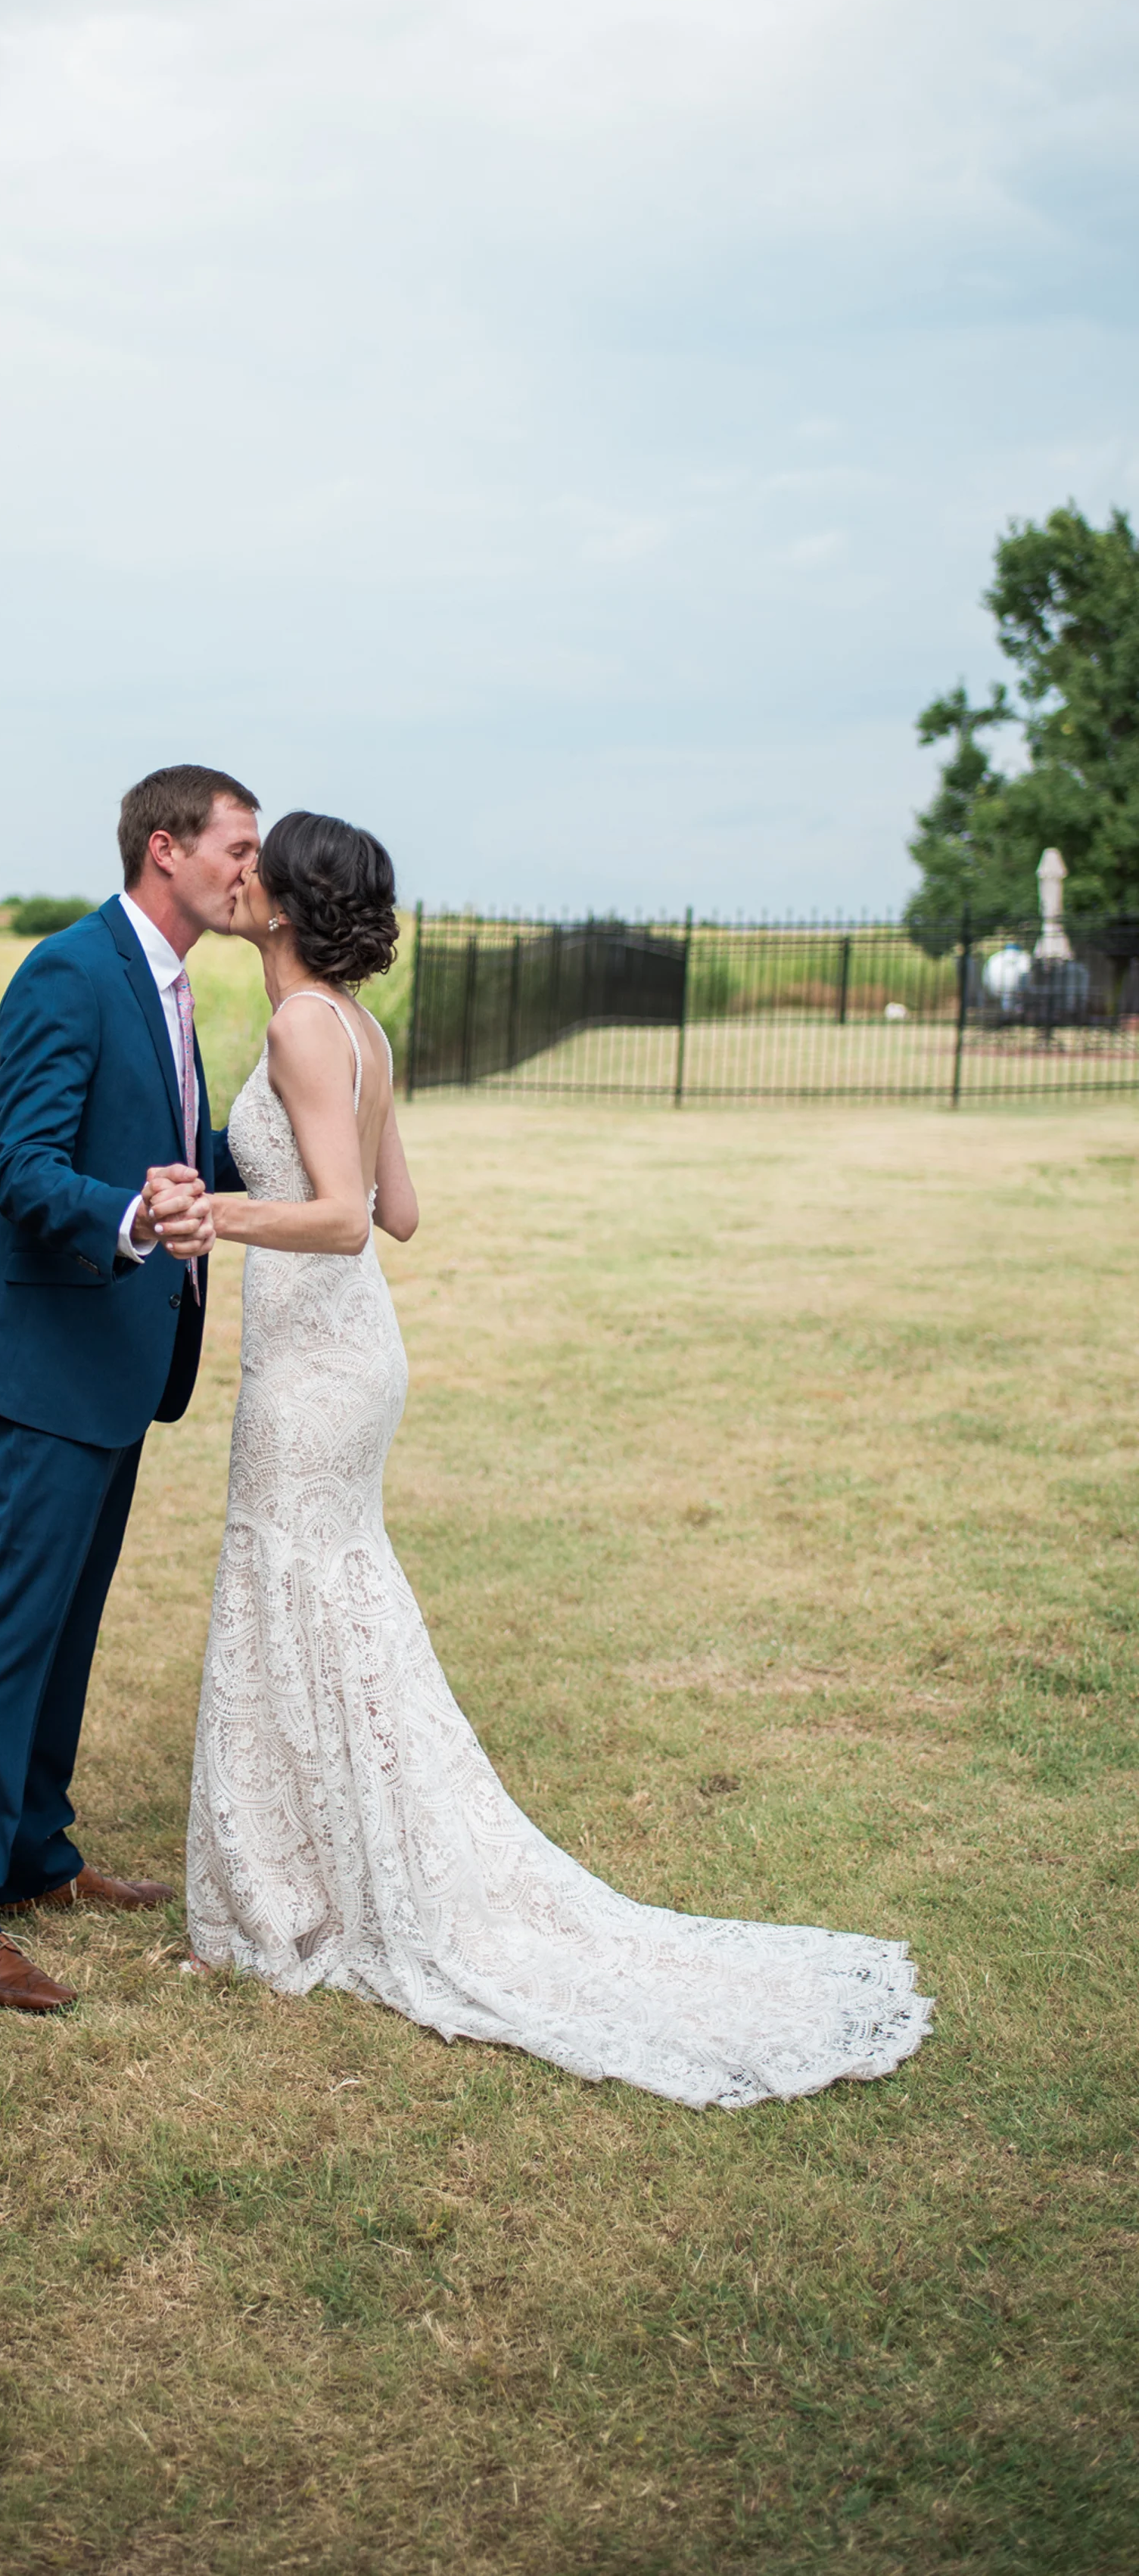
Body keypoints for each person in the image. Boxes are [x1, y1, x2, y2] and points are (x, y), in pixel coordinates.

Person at [175, 810, 934, 2108]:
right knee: (329, 1589)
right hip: (359, 1360)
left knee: (294, 1580)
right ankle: (324, 1858)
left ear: (292, 904)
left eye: (258, 867)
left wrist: (212, 1210)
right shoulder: (361, 1029)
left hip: (316, 1364)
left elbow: (349, 1222)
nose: (237, 881)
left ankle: (303, 1888)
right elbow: (404, 1208)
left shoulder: (306, 1026)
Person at [0, 766, 251, 2013]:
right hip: (44, 1360)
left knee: (70, 1623)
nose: (248, 872)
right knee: (12, 1629)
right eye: (237, 848)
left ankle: (38, 1855)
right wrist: (133, 1219)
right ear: (167, 850)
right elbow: (29, 1171)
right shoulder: (67, 969)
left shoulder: (170, 987)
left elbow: (180, 1147)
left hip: (119, 1363)